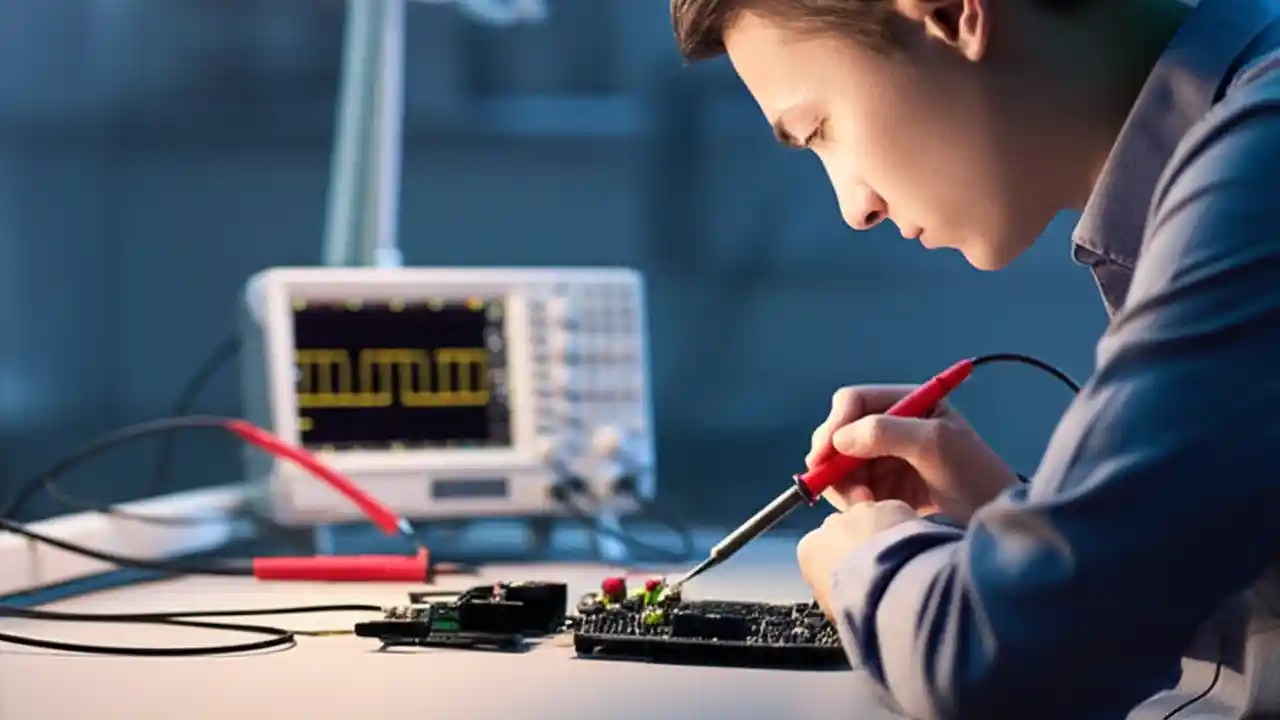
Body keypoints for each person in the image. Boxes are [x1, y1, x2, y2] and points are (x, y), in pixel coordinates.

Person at [668, 0, 1280, 718]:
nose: (853, 208)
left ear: (950, 12)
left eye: (821, 129)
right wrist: (1032, 540)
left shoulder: (1259, 168)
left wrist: (871, 564)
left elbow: (1007, 667)